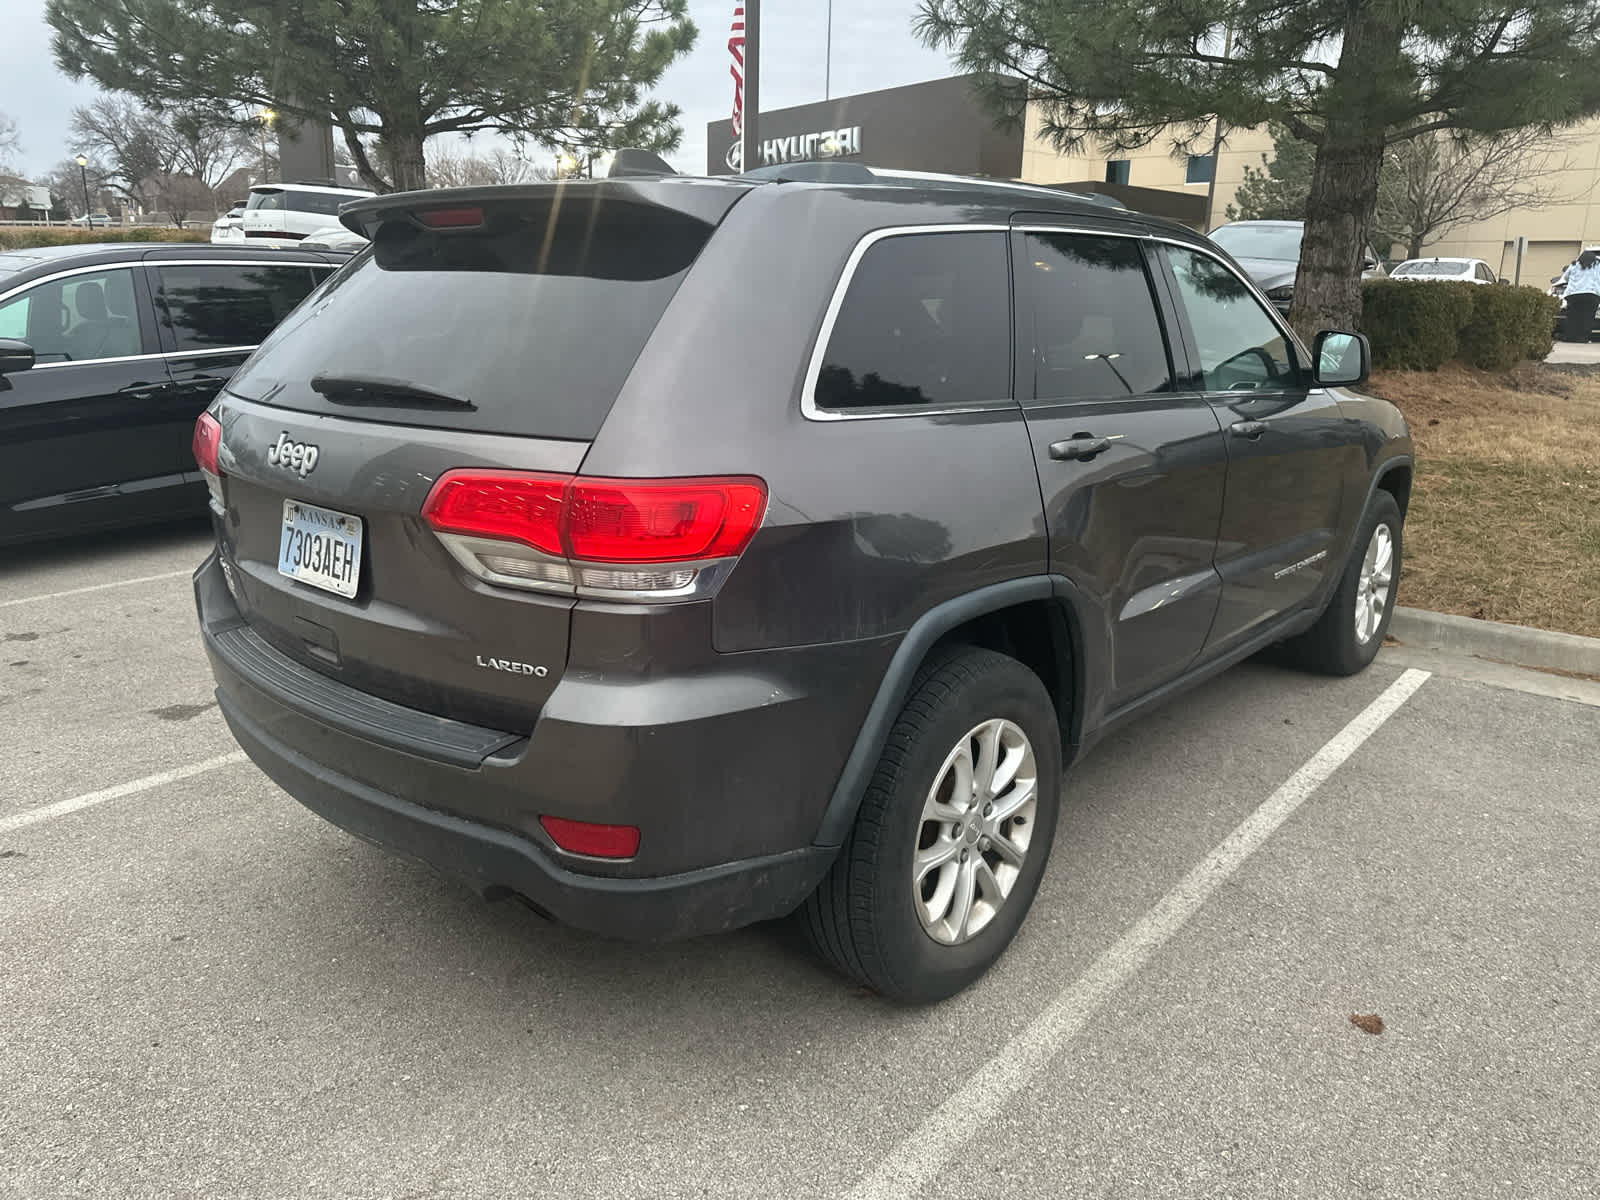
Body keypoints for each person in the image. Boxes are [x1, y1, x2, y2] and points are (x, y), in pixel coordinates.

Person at [1562, 248, 1600, 344]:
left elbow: (1565, 277)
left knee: (1572, 317)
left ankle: (1570, 337)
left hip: (1573, 295)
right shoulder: (1597, 265)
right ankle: (1584, 338)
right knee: (1587, 318)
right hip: (1591, 294)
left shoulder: (1574, 265)